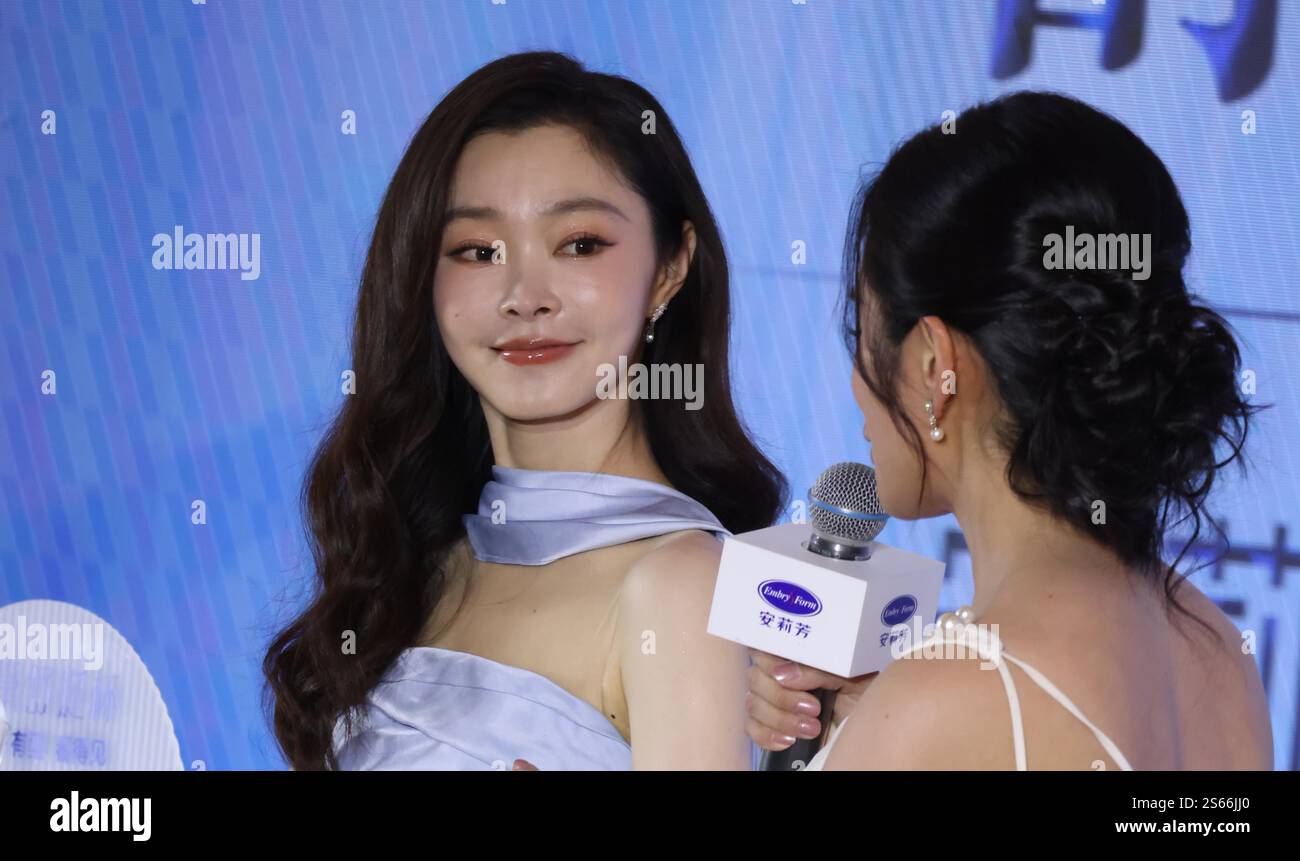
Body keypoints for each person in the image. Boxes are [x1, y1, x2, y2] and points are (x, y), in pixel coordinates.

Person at [263, 51, 785, 770]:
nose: (524, 294)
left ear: (670, 268)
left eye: (579, 244)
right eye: (477, 250)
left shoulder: (678, 585)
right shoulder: (419, 565)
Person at [747, 91, 1273, 771]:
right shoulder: (1215, 646)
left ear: (936, 365)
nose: (856, 383)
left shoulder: (948, 699)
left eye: (863, 330)